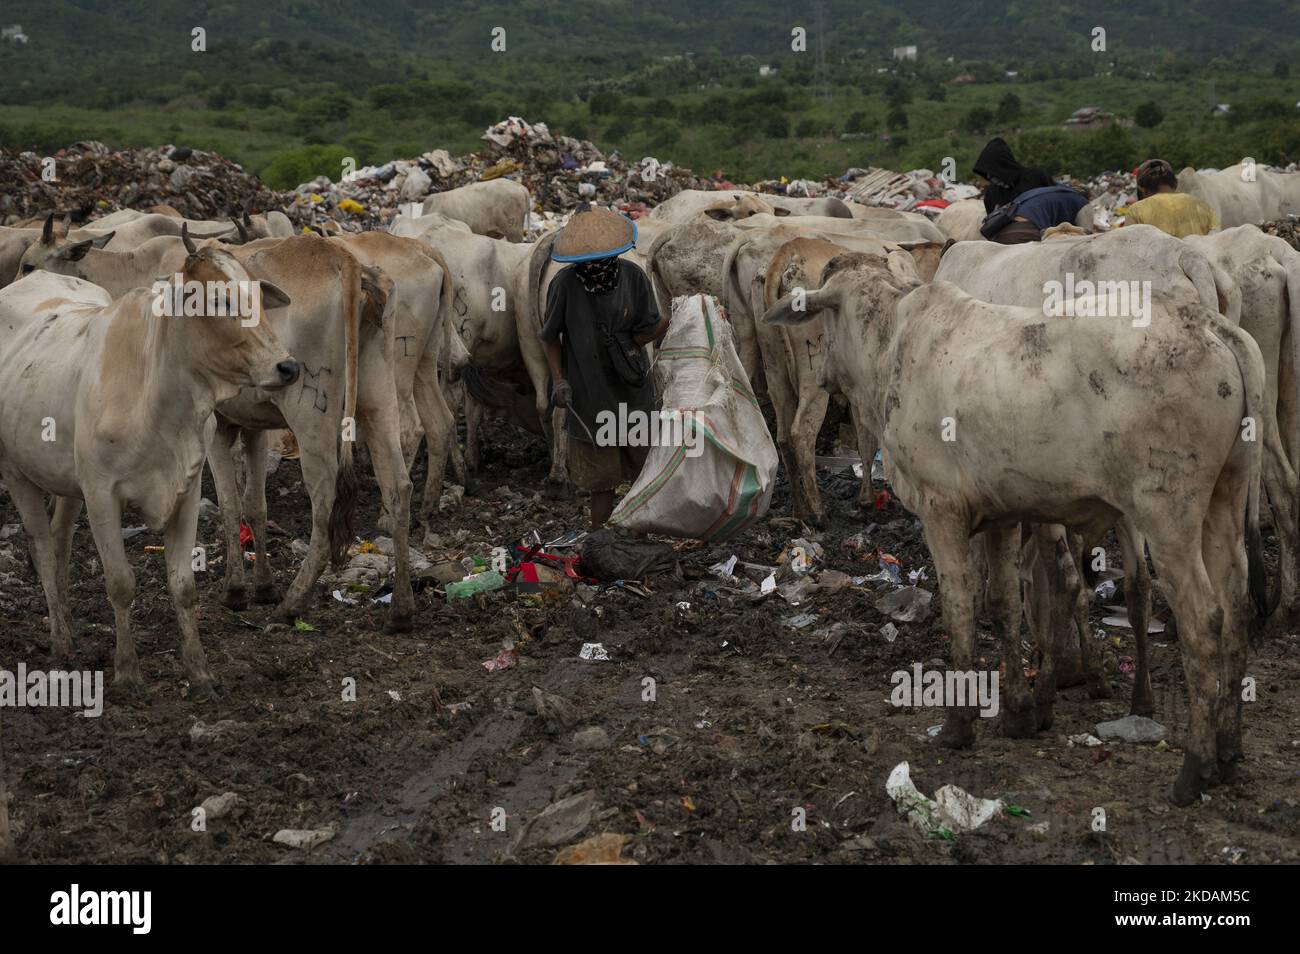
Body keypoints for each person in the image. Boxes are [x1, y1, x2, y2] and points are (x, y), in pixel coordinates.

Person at [540, 208, 670, 528]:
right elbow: (549, 337)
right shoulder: (565, 285)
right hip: (589, 390)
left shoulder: (634, 278)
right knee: (602, 478)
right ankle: (598, 535)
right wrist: (559, 381)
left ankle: (641, 532)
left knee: (644, 464)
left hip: (632, 388)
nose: (596, 267)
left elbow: (650, 328)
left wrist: (635, 338)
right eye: (589, 263)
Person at [1121, 159, 1219, 237]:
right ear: (1175, 184)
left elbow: (1130, 248)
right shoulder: (1203, 206)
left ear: (1142, 190)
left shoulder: (1135, 211)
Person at [984, 184, 1090, 244]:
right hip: (1024, 231)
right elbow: (1087, 236)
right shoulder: (1082, 201)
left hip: (1000, 231)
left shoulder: (1045, 191)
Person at [973, 137, 1054, 214]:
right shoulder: (991, 194)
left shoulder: (1037, 178)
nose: (993, 180)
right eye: (989, 176)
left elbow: (1056, 203)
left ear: (1004, 165)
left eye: (994, 174)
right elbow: (990, 225)